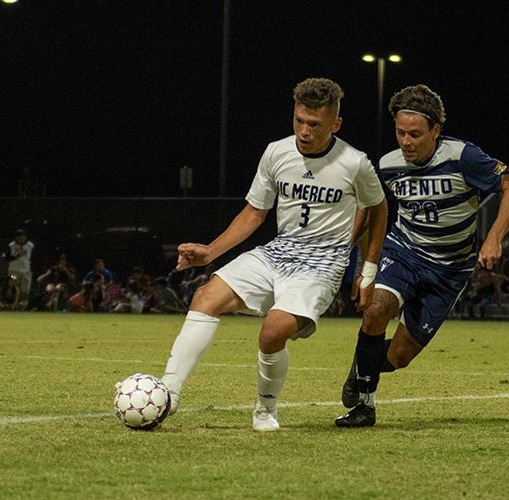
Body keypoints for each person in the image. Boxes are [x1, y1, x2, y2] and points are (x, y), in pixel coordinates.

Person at [158, 78, 388, 431]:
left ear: (335, 125)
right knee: (205, 297)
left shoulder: (355, 163)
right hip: (279, 252)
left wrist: (368, 271)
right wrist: (210, 251)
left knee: (271, 333)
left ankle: (266, 409)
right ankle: (168, 395)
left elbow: (378, 208)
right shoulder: (276, 152)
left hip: (323, 263)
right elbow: (254, 212)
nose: (305, 131)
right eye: (299, 121)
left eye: (315, 125)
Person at [336, 84, 509, 428]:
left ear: (436, 131)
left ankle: (363, 364)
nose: (406, 142)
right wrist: (346, 248)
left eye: (415, 134)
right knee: (376, 309)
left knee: (399, 356)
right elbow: (371, 207)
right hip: (404, 252)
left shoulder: (463, 156)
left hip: (449, 271)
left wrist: (494, 238)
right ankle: (365, 406)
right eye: (400, 132)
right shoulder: (388, 165)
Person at [6, 229, 34, 308]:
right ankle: (12, 304)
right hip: (14, 271)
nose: (20, 240)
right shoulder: (12, 245)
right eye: (18, 238)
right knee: (13, 286)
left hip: (25, 271)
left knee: (25, 288)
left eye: (22, 238)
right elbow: (7, 257)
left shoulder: (30, 246)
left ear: (25, 237)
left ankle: (23, 305)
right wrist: (14, 257)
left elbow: (33, 257)